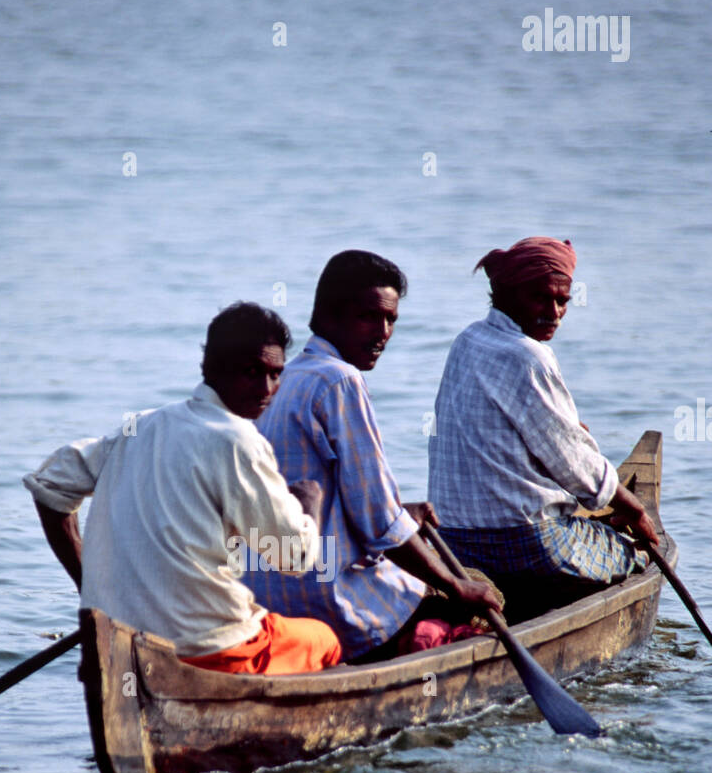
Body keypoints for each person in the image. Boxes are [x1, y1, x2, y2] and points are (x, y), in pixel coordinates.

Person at [23, 302, 342, 674]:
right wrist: (308, 506)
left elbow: (50, 485)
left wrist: (94, 598)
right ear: (212, 370)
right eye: (253, 372)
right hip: (209, 649)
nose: (266, 389)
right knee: (326, 639)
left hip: (119, 650)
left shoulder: (142, 426)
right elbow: (293, 558)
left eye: (275, 375)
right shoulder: (239, 440)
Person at [246, 250, 501, 662]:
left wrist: (403, 513)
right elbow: (379, 522)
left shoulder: (282, 379)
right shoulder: (340, 381)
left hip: (267, 594)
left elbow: (329, 497)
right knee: (464, 603)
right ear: (327, 316)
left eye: (391, 320)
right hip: (330, 598)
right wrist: (457, 588)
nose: (383, 332)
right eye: (369, 317)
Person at [427, 237, 659, 621]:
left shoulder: (466, 340)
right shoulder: (529, 355)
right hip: (528, 545)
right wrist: (632, 509)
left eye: (562, 301)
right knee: (633, 555)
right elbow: (576, 465)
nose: (553, 311)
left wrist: (571, 436)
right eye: (540, 298)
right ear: (505, 295)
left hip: (456, 543)